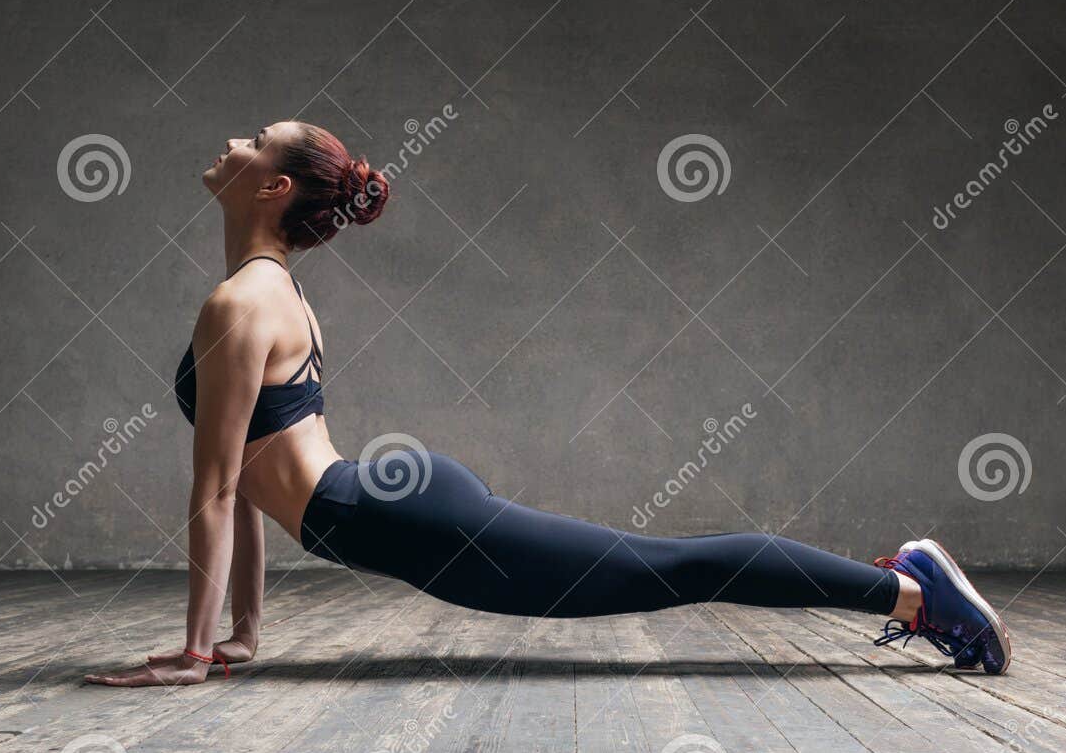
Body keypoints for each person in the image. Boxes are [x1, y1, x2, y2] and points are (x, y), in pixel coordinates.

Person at [83, 122, 1010, 686]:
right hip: (395, 518)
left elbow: (212, 492)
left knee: (669, 568)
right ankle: (910, 590)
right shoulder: (264, 292)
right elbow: (243, 485)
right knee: (662, 570)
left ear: (274, 185)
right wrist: (238, 636)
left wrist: (195, 654)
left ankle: (913, 589)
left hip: (410, 522)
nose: (233, 146)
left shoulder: (242, 302)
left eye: (254, 140)